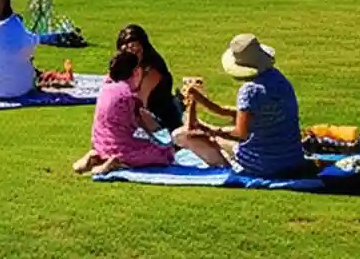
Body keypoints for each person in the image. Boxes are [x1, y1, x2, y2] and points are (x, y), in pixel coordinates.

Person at [173, 33, 305, 178]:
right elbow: (254, 114)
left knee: (180, 135)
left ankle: (224, 167)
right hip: (291, 158)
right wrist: (203, 101)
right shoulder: (279, 79)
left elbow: (240, 134)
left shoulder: (250, 90)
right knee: (215, 133)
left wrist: (210, 130)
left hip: (264, 164)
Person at [74, 50, 175, 175]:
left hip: (99, 145)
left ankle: (96, 157)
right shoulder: (129, 96)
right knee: (164, 154)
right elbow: (145, 124)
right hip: (121, 149)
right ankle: (116, 162)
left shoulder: (106, 87)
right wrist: (164, 139)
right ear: (135, 72)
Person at [116, 24, 181, 132]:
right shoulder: (127, 68)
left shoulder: (152, 71)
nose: (131, 57)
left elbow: (140, 104)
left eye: (136, 52)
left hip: (160, 121)